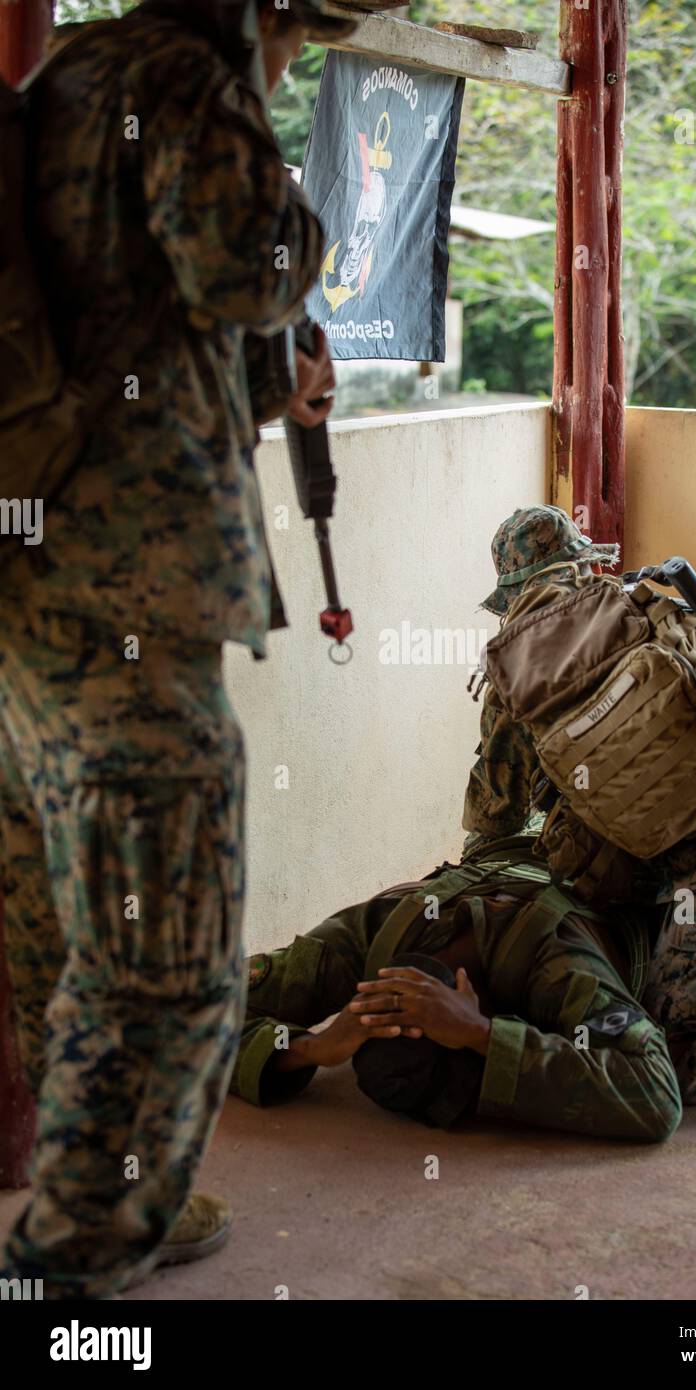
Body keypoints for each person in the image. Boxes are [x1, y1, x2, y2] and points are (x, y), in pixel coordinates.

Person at [0, 0, 356, 1300]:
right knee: (170, 938)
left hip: (30, 559)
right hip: (122, 582)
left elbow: (137, 335)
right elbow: (242, 263)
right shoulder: (184, 74)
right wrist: (309, 223)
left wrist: (277, 385)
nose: (292, 66)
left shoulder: (77, 71)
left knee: (63, 905)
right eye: (300, 41)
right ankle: (70, 1256)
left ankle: (96, 1188)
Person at [462, 506, 696, 1104]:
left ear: (513, 592)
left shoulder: (517, 676)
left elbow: (495, 823)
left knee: (685, 1055)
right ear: (581, 564)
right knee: (642, 836)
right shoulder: (647, 609)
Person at [230, 828, 696, 1133]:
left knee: (691, 1064)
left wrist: (481, 1037)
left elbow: (655, 1095)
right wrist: (314, 1046)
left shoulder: (553, 959)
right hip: (542, 841)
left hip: (690, 894)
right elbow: (201, 1010)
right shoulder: (374, 937)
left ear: (468, 994)